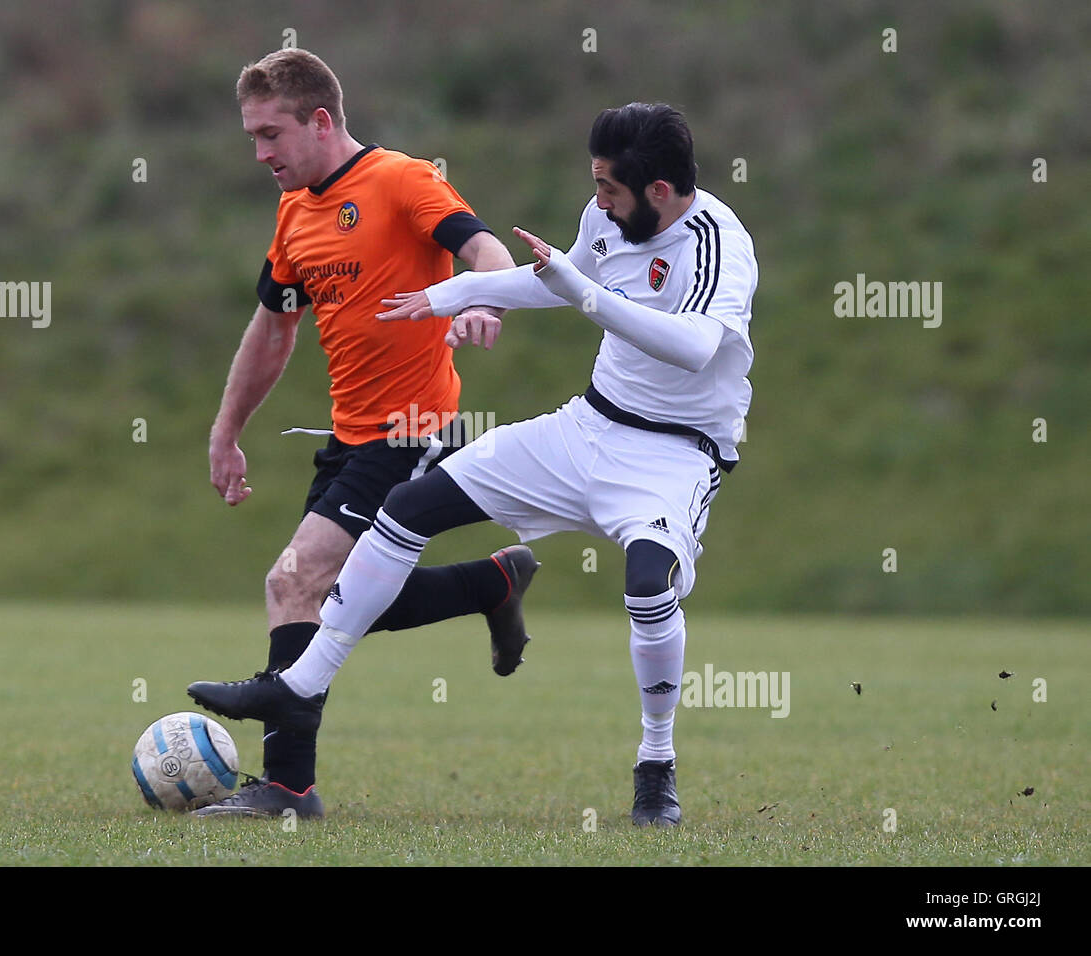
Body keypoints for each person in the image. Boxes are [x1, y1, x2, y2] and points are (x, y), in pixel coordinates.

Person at [188, 102, 757, 826]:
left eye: (610, 190)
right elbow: (551, 282)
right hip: (587, 427)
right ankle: (300, 684)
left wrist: (579, 291)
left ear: (661, 192)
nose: (598, 203)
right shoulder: (606, 217)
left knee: (649, 585)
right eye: (595, 186)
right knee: (409, 509)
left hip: (674, 453)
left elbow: (694, 347)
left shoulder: (717, 241)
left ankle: (655, 767)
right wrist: (450, 294)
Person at [189, 49, 540, 821]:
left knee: (294, 580)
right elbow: (274, 328)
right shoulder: (295, 213)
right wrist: (226, 430)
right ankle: (492, 584)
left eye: (271, 134)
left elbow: (484, 248)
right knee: (333, 598)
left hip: (413, 427)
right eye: (251, 137)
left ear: (320, 120)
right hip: (349, 435)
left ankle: (287, 787)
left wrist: (487, 300)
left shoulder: (403, 180)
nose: (260, 154)